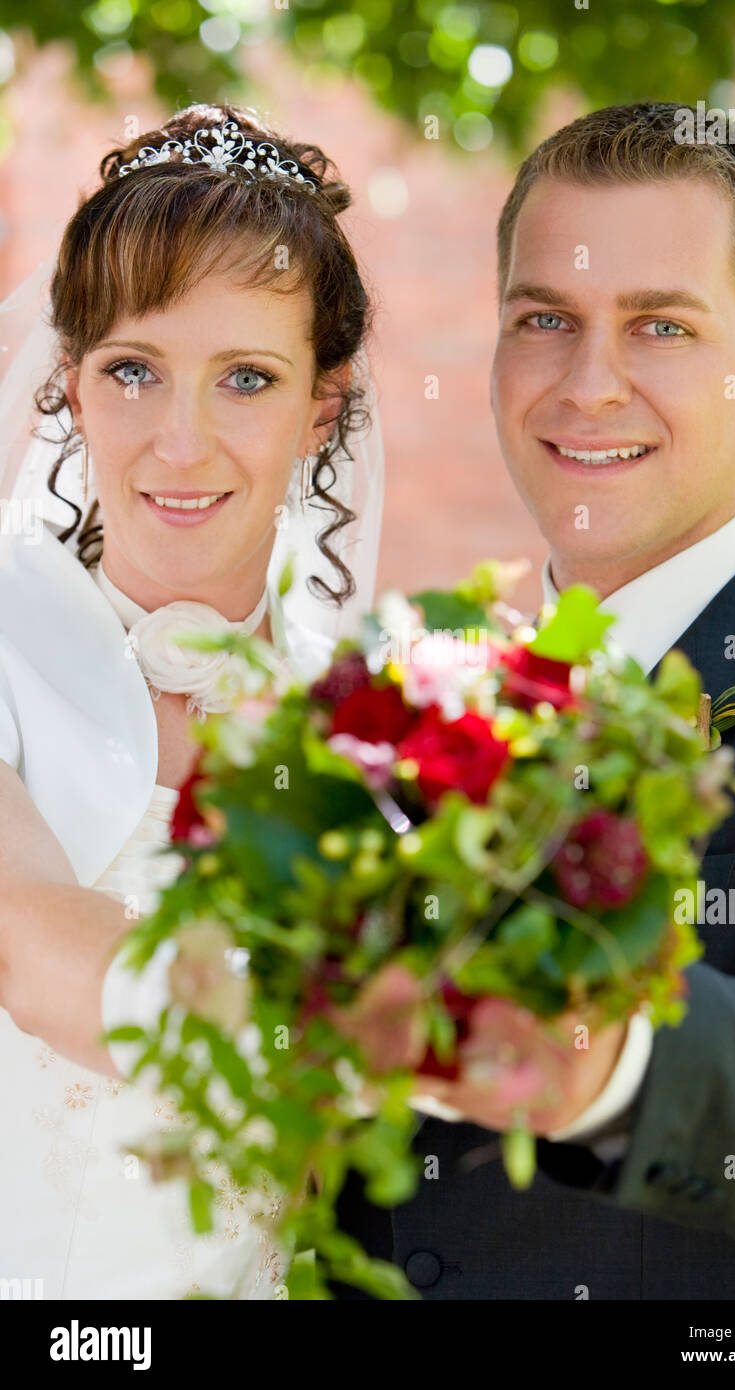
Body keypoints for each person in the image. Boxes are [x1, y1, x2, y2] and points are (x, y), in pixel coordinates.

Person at [334, 102, 735, 1300]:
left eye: (658, 327)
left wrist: (601, 1064)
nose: (587, 384)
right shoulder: (431, 689)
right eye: (543, 321)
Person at [0, 103, 382, 1299]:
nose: (180, 442)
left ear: (323, 404)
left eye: (247, 380)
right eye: (132, 370)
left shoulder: (381, 720)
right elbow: (29, 945)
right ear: (67, 382)